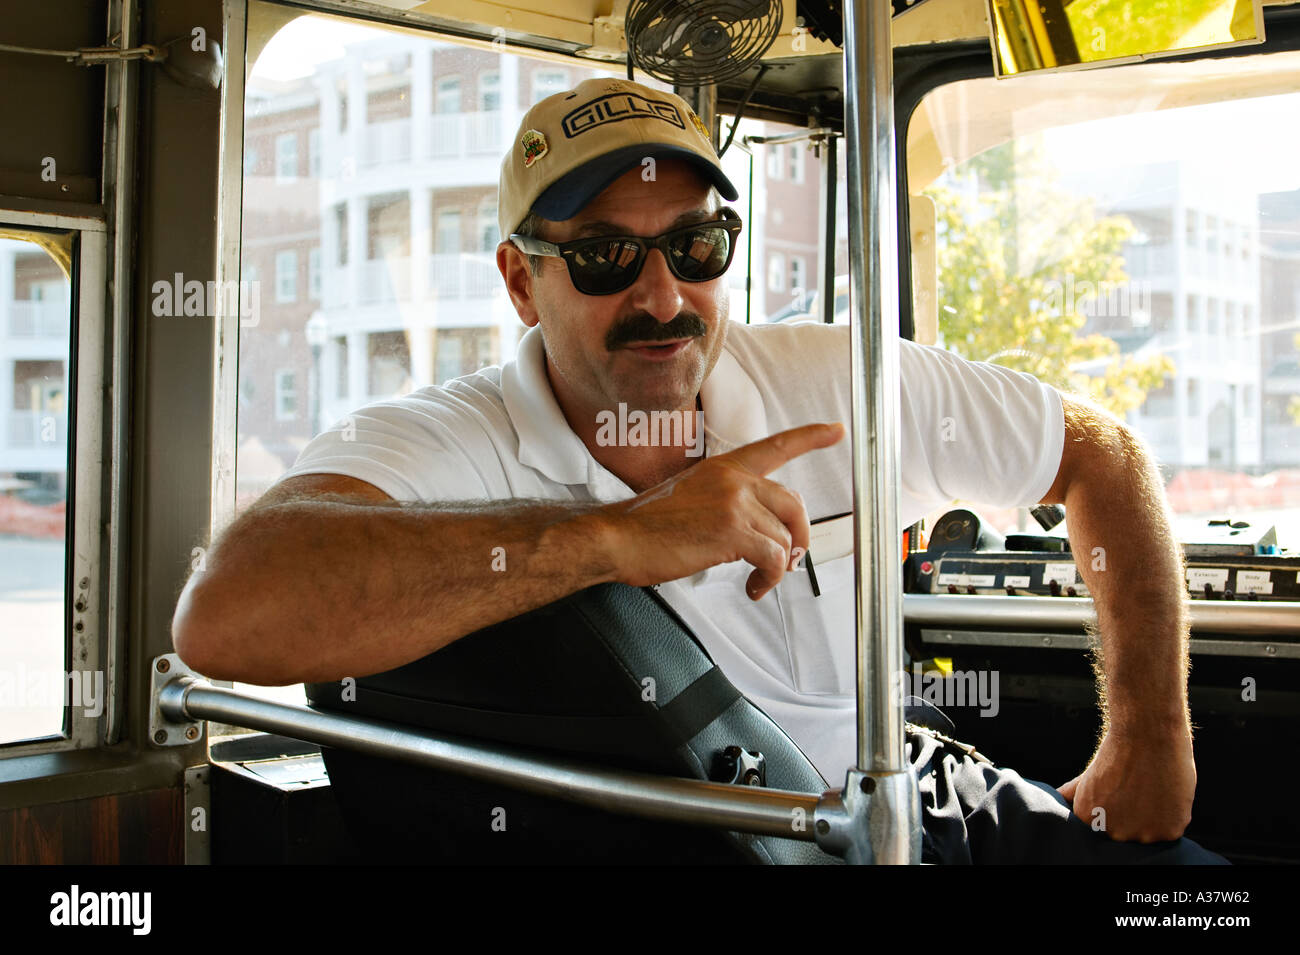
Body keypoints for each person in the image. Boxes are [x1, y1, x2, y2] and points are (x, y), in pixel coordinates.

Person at [172, 77, 1224, 864]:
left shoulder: (834, 378)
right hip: (724, 837)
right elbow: (226, 616)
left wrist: (1146, 739)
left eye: (697, 245)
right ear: (520, 282)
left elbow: (1100, 455)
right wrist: (619, 540)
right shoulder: (451, 437)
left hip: (906, 790)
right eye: (603, 257)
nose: (663, 295)